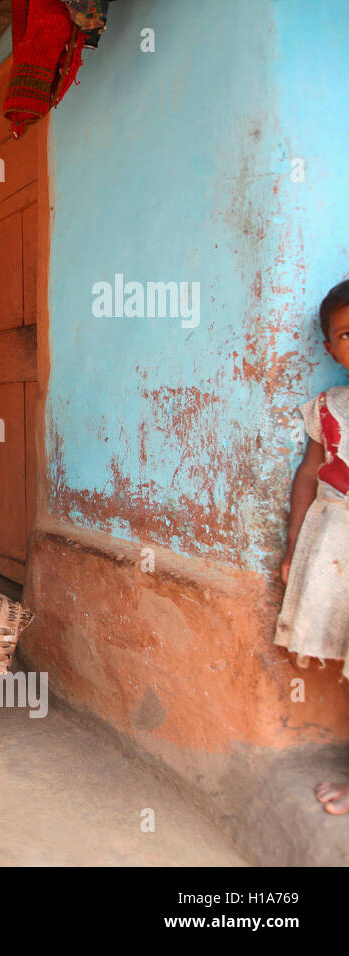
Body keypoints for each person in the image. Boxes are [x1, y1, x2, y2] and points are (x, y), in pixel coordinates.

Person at [276, 279, 349, 815]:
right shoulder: (326, 408)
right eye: (347, 334)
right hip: (335, 546)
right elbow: (308, 475)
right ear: (330, 348)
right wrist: (294, 543)